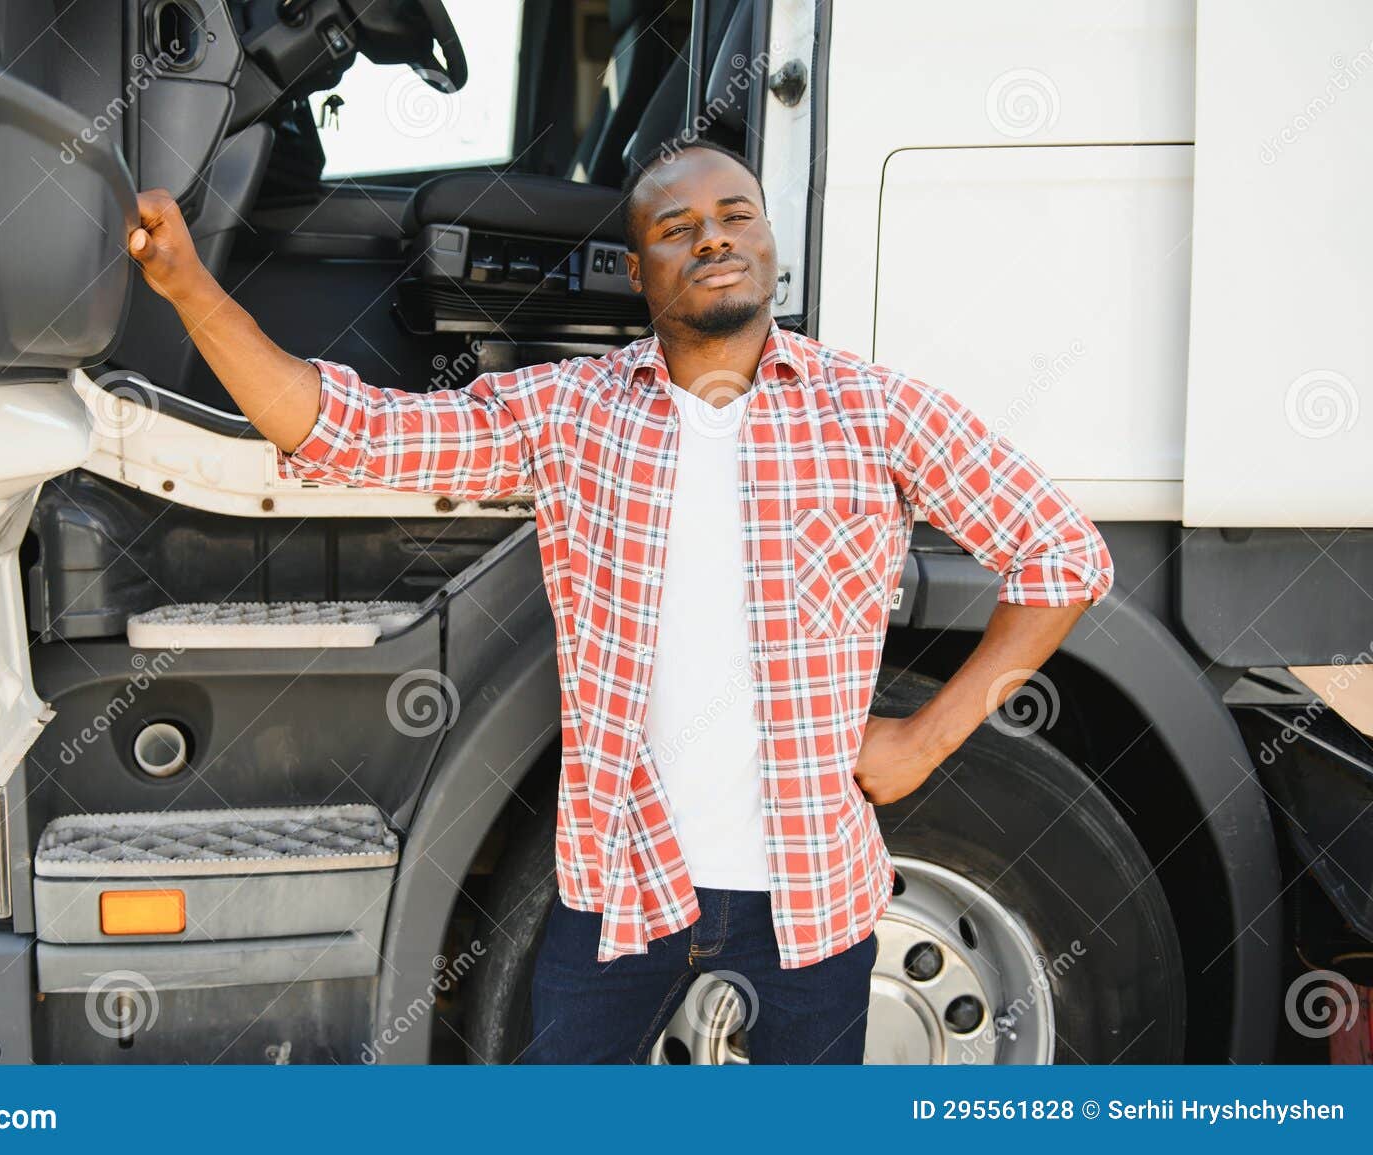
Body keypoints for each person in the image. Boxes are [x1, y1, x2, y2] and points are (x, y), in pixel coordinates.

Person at [126, 137, 1114, 1064]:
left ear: (771, 247)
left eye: (737, 216)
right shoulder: (573, 411)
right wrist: (187, 287)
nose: (714, 237)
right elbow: (345, 432)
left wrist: (924, 739)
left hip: (814, 897)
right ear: (638, 273)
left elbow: (1061, 554)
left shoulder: (872, 409)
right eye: (676, 230)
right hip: (621, 893)